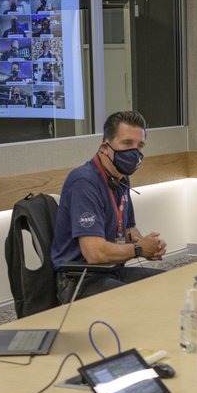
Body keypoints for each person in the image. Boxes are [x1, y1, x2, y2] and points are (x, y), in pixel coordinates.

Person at [50, 111, 167, 300]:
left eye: (140, 146)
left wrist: (147, 244)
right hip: (80, 279)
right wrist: (138, 249)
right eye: (127, 144)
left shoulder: (121, 178)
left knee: (168, 286)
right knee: (138, 300)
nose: (135, 153)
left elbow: (127, 229)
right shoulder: (84, 182)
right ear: (105, 147)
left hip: (111, 270)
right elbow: (94, 253)